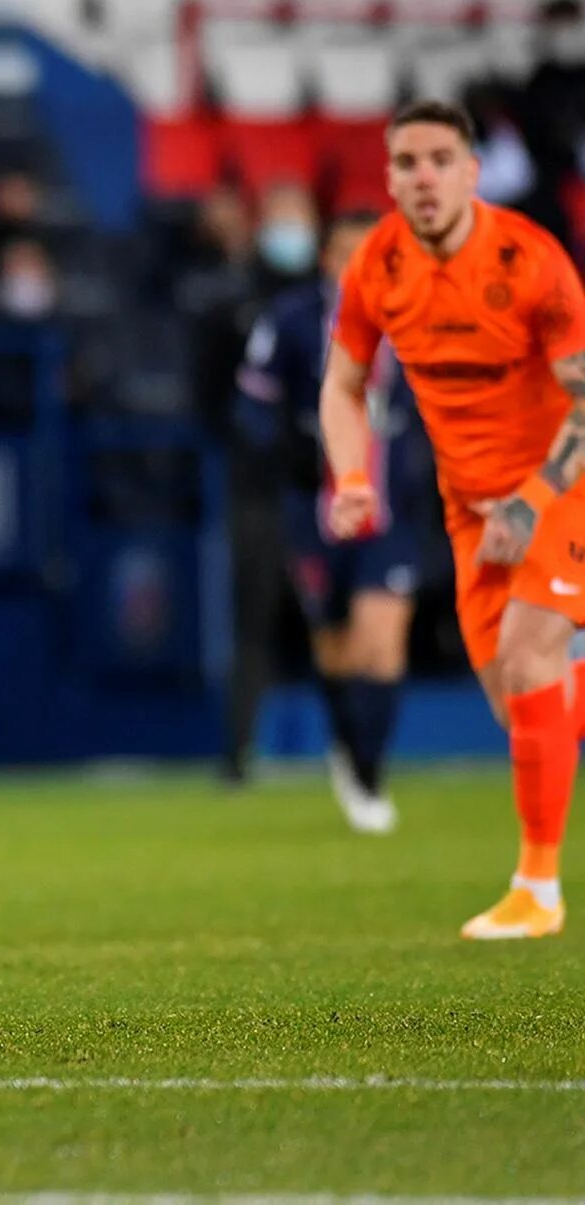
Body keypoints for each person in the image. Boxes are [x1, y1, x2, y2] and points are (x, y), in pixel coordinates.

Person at [321, 99, 585, 940]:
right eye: (406, 162)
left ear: (473, 171)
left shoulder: (532, 261)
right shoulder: (378, 265)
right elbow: (342, 386)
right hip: (469, 509)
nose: (423, 176)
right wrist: (353, 476)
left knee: (530, 651)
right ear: (391, 176)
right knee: (519, 703)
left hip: (557, 488)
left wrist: (534, 499)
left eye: (440, 158)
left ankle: (537, 891)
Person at [238, 210, 420, 832]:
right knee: (336, 648)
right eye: (346, 252)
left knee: (383, 640)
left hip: (390, 509)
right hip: (315, 510)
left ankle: (370, 774)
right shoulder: (292, 320)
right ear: (326, 259)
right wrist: (285, 449)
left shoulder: (417, 321)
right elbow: (254, 404)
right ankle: (347, 745)